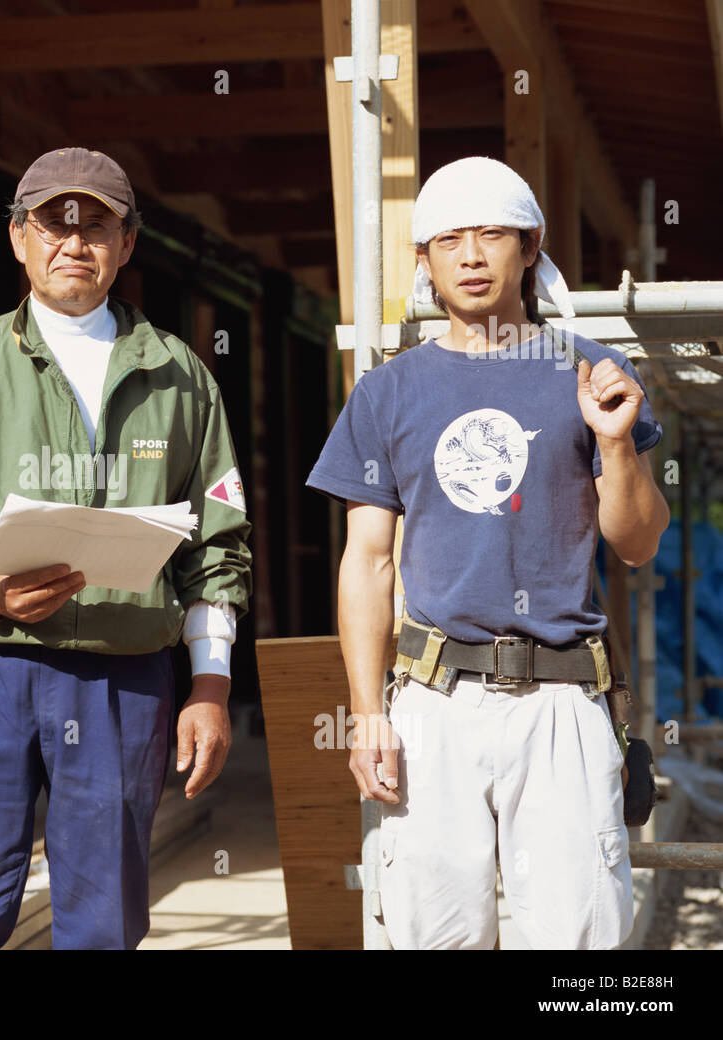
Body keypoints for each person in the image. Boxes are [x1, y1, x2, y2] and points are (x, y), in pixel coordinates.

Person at [0, 147, 252, 949]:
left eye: (97, 224)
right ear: (17, 237)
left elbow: (218, 548)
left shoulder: (181, 378)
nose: (74, 241)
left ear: (127, 242)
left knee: (103, 919)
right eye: (53, 222)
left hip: (122, 674)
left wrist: (209, 684)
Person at [306, 156, 669, 950]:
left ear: (529, 246)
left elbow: (638, 544)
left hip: (564, 701)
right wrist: (367, 716)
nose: (471, 256)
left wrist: (616, 445)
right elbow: (366, 563)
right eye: (449, 240)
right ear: (424, 261)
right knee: (433, 937)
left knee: (578, 951)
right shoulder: (388, 392)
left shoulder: (590, 372)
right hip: (434, 704)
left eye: (491, 235)